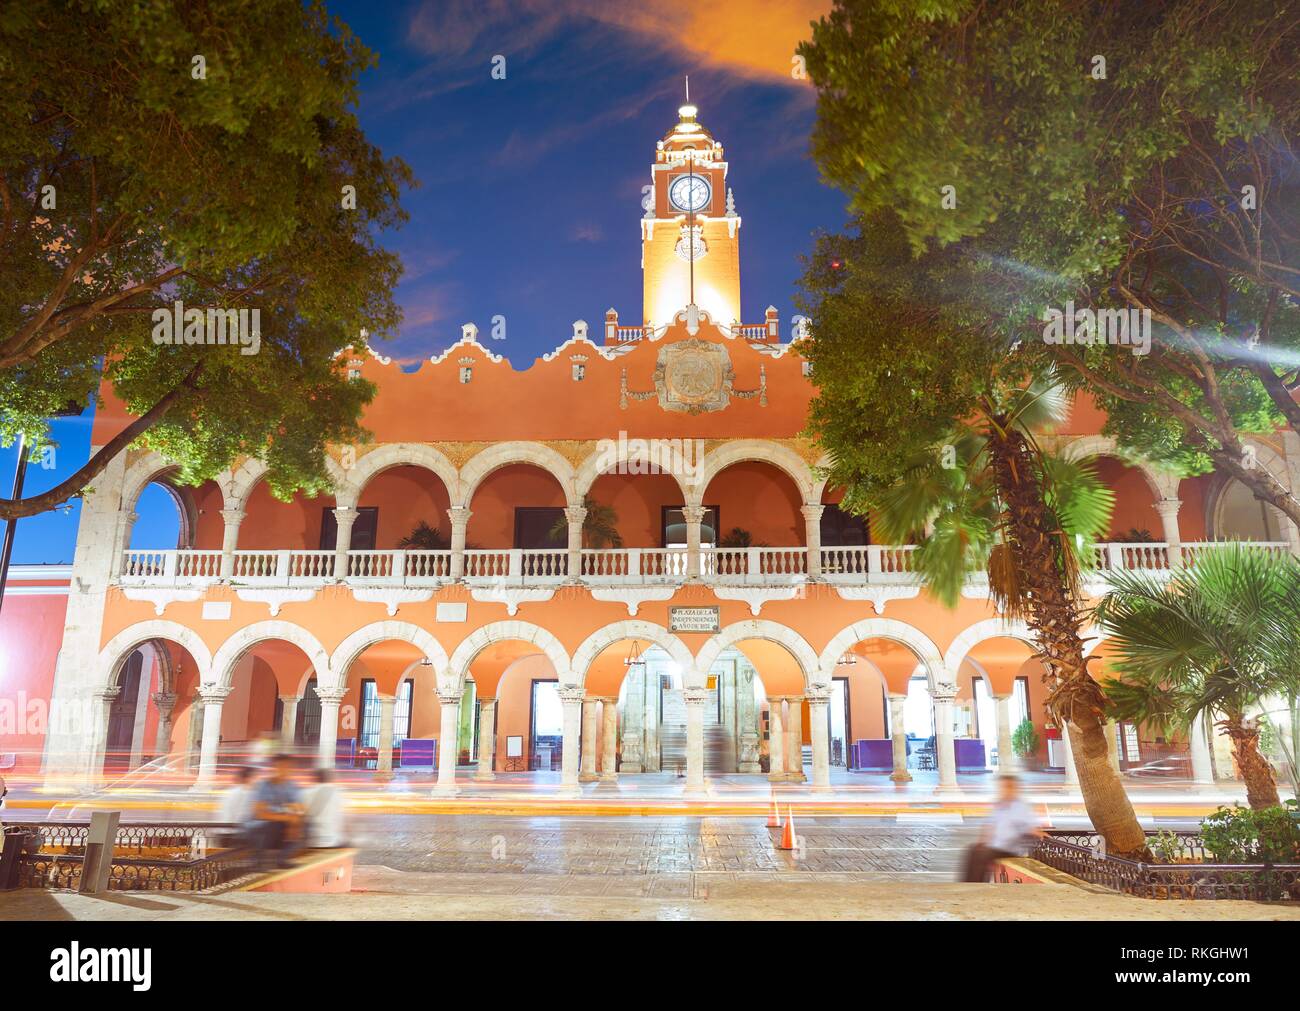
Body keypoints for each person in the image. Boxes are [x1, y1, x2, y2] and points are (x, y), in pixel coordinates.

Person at [962, 773, 1045, 882]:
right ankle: (969, 884)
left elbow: (1030, 827)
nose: (1004, 790)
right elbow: (989, 825)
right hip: (996, 846)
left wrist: (1040, 833)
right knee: (973, 850)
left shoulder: (1021, 807)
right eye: (1002, 787)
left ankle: (976, 884)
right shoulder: (1000, 806)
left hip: (1009, 849)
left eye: (1008, 787)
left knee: (982, 855)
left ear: (1015, 788)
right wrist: (982, 841)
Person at [247, 753, 305, 870]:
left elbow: (299, 808)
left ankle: (282, 858)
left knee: (304, 824)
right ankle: (256, 861)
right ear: (274, 768)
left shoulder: (292, 786)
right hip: (259, 826)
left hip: (280, 825)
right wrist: (288, 817)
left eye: (288, 767)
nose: (284, 770)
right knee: (270, 825)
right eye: (281, 766)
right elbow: (260, 813)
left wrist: (294, 822)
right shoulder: (263, 785)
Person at [304, 767, 347, 848]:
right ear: (330, 779)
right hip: (333, 841)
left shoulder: (307, 793)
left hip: (312, 841)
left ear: (315, 779)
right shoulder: (338, 793)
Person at [216, 766, 258, 845]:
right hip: (236, 833)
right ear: (248, 778)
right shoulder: (246, 793)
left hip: (224, 832)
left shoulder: (231, 792)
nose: (257, 781)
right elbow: (243, 815)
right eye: (255, 777)